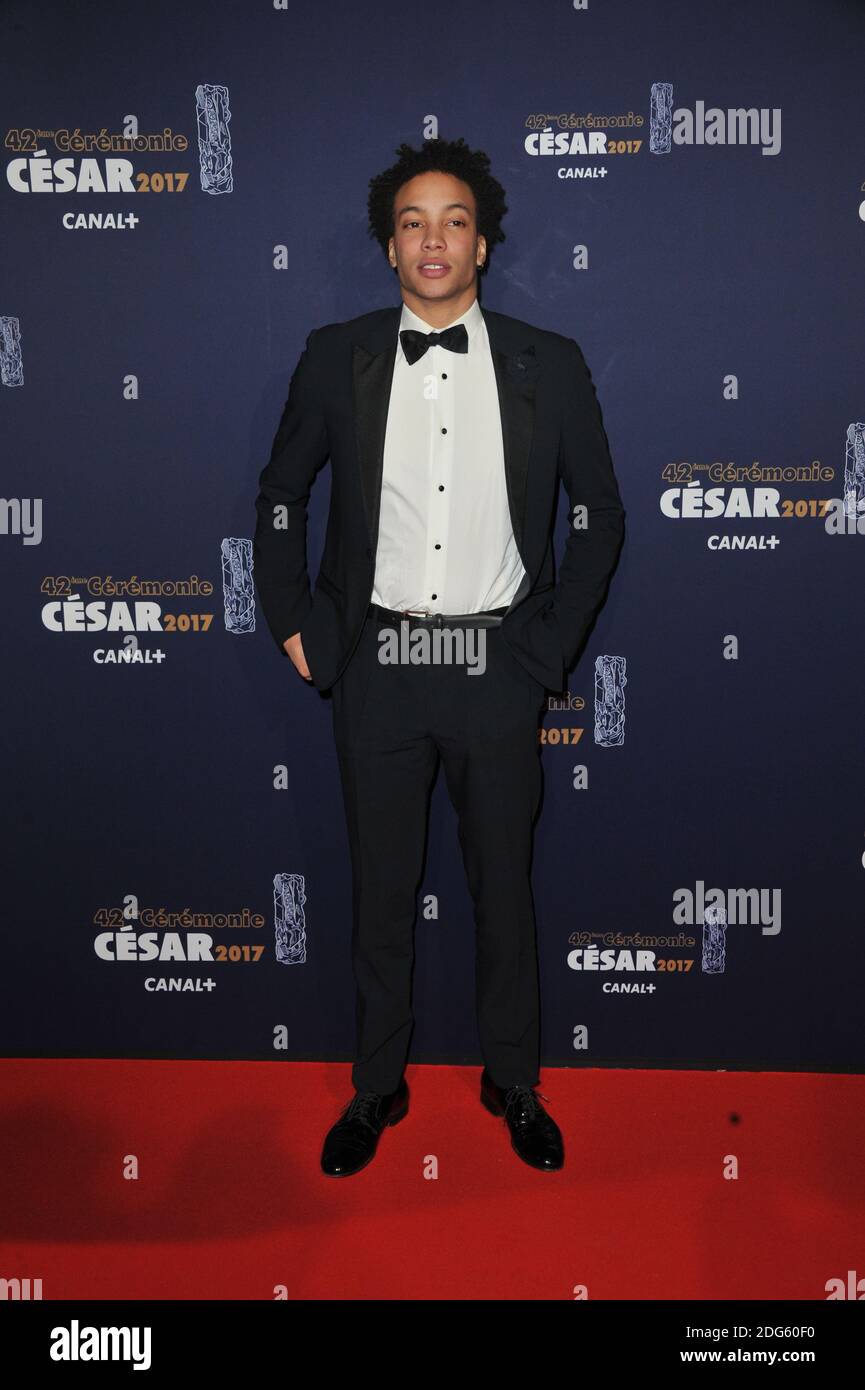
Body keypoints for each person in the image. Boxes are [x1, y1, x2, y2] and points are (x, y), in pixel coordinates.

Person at [253, 135, 625, 1177]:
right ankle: (376, 1088)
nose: (433, 239)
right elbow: (280, 494)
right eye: (413, 221)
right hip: (373, 670)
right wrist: (295, 622)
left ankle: (513, 1079)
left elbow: (599, 515)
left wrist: (544, 646)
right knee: (379, 891)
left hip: (496, 672)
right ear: (388, 246)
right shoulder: (337, 355)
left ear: (484, 244)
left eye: (453, 220)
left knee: (503, 887)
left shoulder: (550, 363)